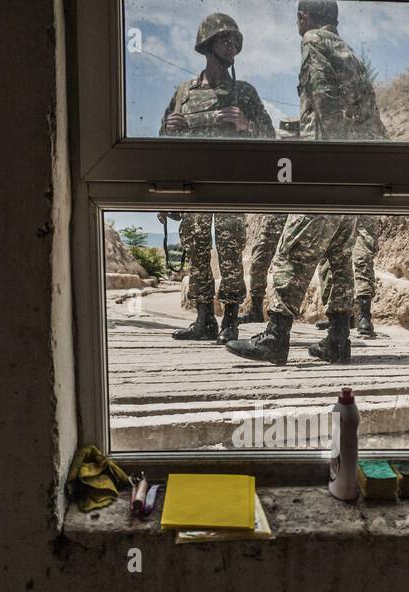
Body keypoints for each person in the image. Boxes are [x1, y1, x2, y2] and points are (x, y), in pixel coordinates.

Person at [227, 1, 386, 365]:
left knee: (293, 248)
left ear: (303, 17)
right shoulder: (351, 55)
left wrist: (320, 160)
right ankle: (338, 340)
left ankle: (275, 338)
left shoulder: (314, 41)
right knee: (338, 257)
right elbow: (373, 119)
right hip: (355, 175)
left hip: (327, 170)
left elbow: (323, 103)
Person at [159, 13, 275, 344]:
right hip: (193, 186)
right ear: (208, 45)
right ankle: (204, 320)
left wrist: (246, 127)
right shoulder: (183, 92)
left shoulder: (243, 93)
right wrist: (167, 130)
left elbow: (270, 139)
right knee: (196, 252)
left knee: (229, 252)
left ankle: (231, 321)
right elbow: (162, 141)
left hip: (228, 186)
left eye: (236, 43)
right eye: (226, 41)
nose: (233, 48)